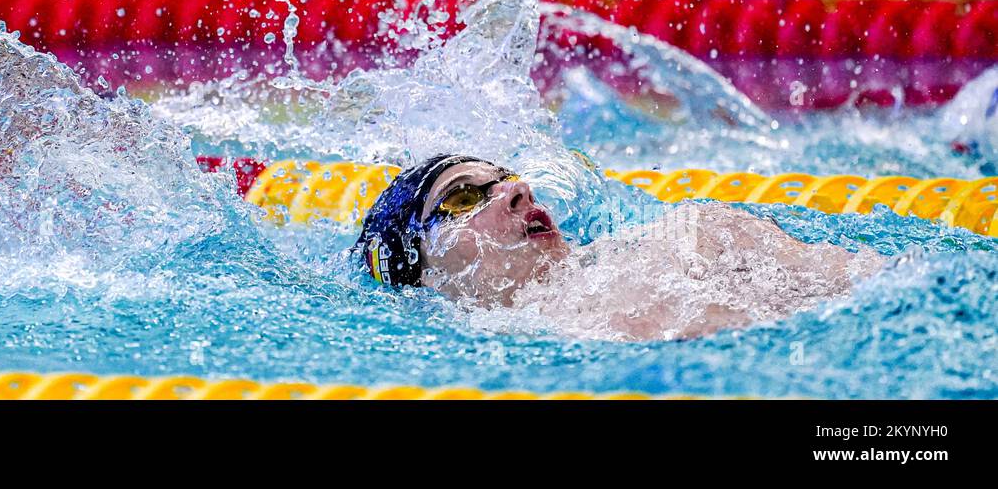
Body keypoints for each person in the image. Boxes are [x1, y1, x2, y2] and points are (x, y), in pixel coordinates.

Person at [355, 154, 886, 341]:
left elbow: (891, 284)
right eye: (464, 197)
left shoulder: (698, 235)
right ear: (419, 272)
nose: (519, 190)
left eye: (509, 180)